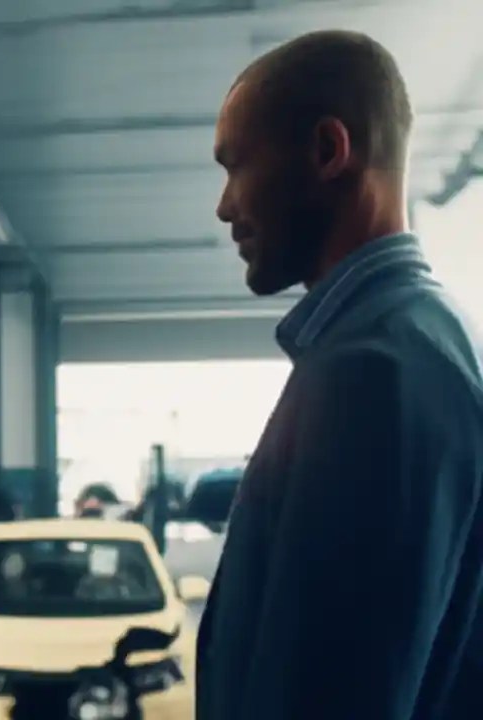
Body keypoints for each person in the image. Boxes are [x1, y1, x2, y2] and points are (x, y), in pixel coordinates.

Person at [198, 29, 483, 719]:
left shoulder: (374, 375)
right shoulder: (420, 340)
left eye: (236, 166)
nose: (225, 206)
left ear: (329, 150)